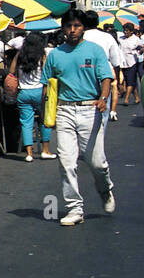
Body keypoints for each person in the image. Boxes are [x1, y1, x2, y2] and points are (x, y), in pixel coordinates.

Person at [43, 11, 115, 226]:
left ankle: (105, 189)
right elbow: (48, 85)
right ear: (63, 28)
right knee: (66, 163)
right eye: (68, 26)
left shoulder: (95, 50)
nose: (72, 30)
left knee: (97, 163)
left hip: (90, 110)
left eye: (77, 25)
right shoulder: (55, 54)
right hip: (65, 111)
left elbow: (106, 78)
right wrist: (46, 113)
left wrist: (103, 98)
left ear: (83, 27)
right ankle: (74, 209)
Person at [9, 32, 56, 162]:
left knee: (26, 123)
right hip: (40, 91)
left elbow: (11, 71)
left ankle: (29, 154)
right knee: (44, 121)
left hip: (23, 93)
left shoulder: (20, 55)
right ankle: (45, 150)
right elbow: (48, 72)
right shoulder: (42, 56)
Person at [81, 13, 123, 121]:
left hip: (83, 76)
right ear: (98, 22)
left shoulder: (81, 37)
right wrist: (117, 79)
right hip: (104, 78)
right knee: (103, 109)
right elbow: (116, 62)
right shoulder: (107, 37)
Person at [119, 24, 144, 106]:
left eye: (127, 30)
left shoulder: (136, 39)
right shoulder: (121, 39)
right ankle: (137, 98)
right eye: (124, 30)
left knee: (130, 82)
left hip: (132, 62)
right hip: (123, 63)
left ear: (131, 31)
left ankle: (126, 99)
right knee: (128, 81)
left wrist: (141, 52)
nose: (125, 32)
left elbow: (142, 48)